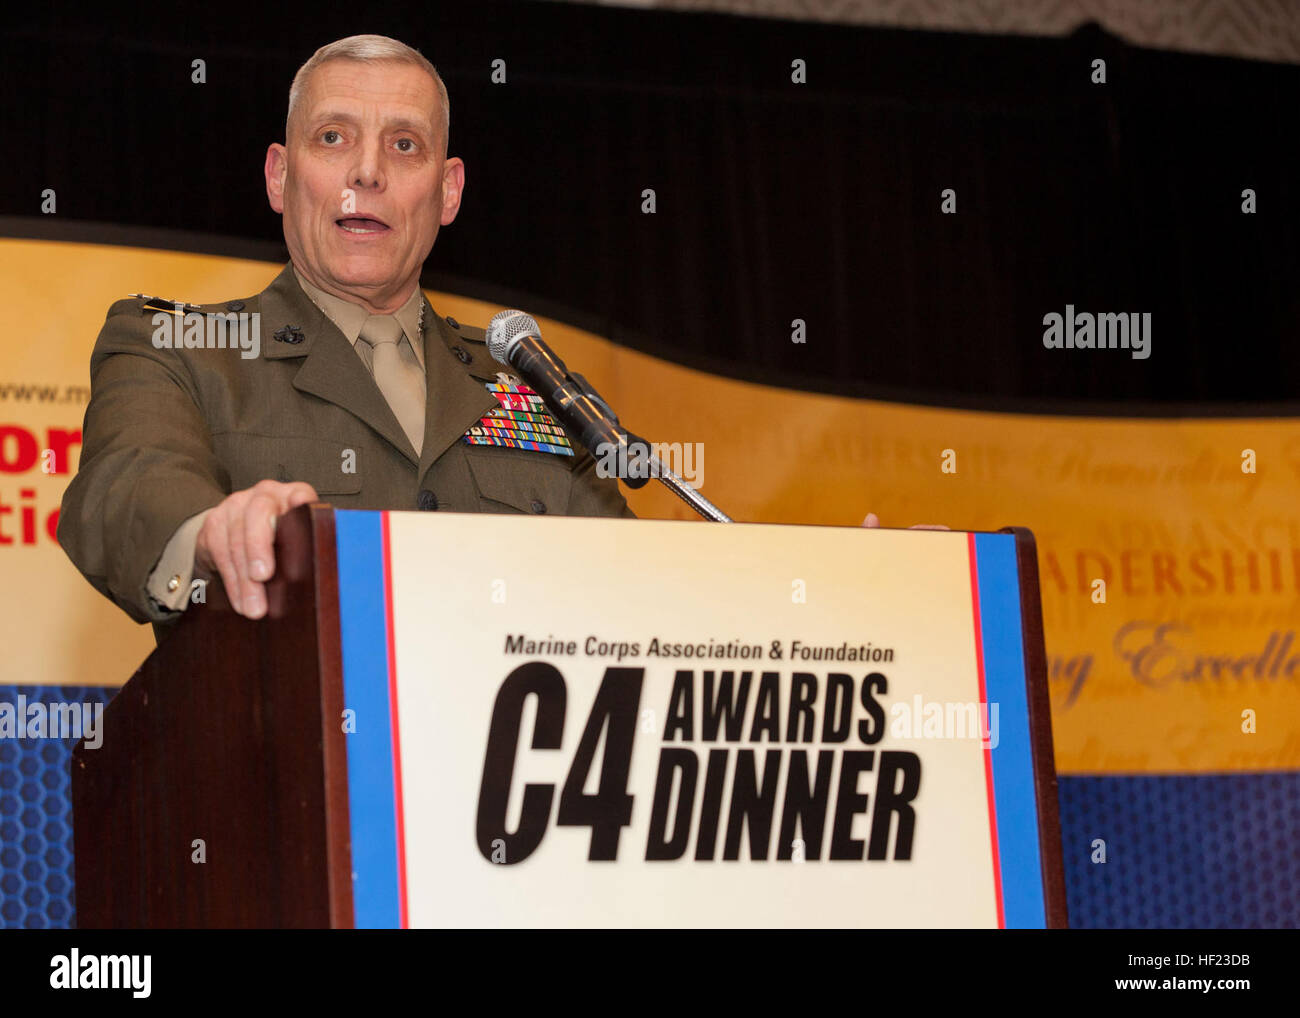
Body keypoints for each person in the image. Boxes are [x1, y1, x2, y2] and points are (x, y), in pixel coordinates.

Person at [58, 35, 632, 635]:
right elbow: (123, 487)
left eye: (404, 145)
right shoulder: (178, 348)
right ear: (279, 177)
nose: (367, 173)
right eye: (333, 137)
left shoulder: (532, 390)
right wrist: (209, 533)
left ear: (448, 191)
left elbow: (641, 582)